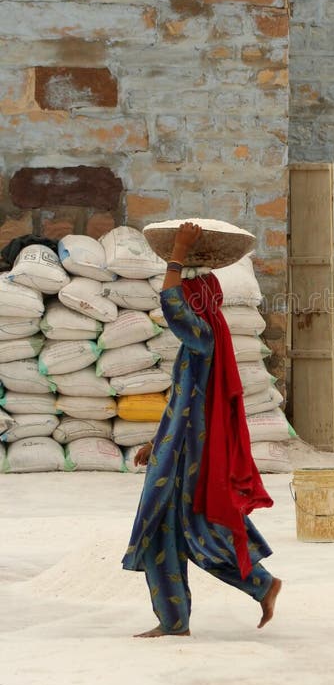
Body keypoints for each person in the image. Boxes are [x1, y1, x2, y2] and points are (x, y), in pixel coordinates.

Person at [122, 221, 282, 637]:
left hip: (188, 455)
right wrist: (156, 440)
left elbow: (171, 302)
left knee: (183, 526)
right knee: (177, 529)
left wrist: (177, 251)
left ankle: (253, 586)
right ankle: (196, 612)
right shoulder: (202, 343)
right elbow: (183, 401)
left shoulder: (203, 336)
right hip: (178, 448)